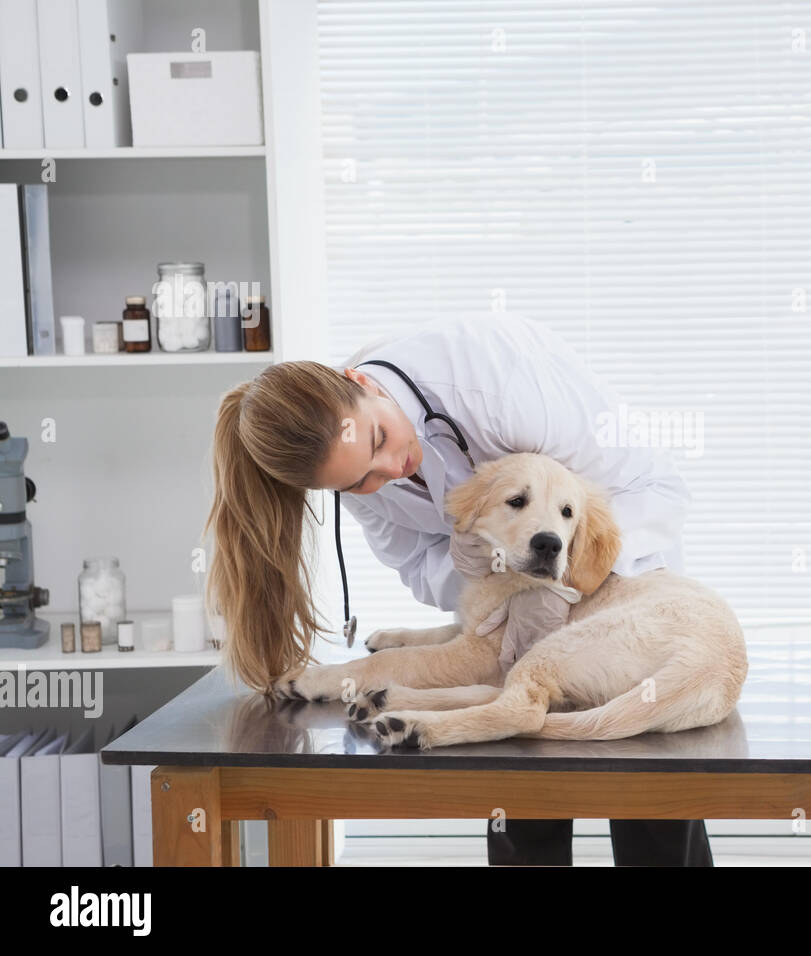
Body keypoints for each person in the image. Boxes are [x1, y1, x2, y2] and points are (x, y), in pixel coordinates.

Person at [204, 311, 713, 866]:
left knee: (650, 804)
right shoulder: (344, 465)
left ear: (361, 382)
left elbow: (656, 488)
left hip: (628, 589)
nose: (391, 469)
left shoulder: (500, 386)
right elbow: (422, 568)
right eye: (360, 482)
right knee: (522, 801)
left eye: (380, 438)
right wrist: (475, 564)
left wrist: (566, 575)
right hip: (519, 640)